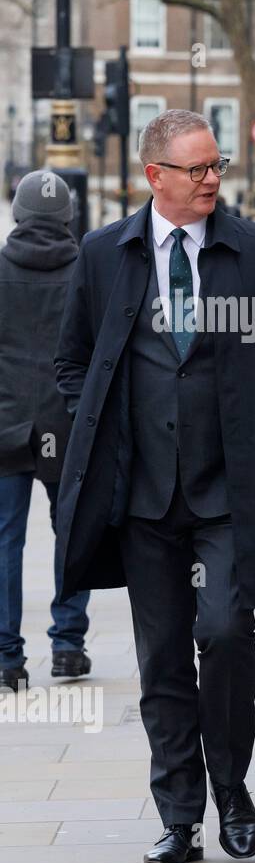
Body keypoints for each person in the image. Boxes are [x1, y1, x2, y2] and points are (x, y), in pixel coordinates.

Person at [54, 110, 255, 863]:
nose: (214, 180)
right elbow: (72, 362)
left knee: (228, 634)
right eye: (198, 169)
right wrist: (98, 430)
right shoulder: (106, 254)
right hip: (142, 499)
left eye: (218, 165)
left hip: (228, 494)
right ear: (155, 176)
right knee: (164, 660)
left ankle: (231, 786)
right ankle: (180, 816)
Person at [0, 170, 91, 693]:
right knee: (71, 530)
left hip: (7, 420)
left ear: (18, 213)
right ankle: (67, 645)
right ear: (67, 217)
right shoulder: (86, 270)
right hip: (68, 420)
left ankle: (8, 658)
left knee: (6, 539)